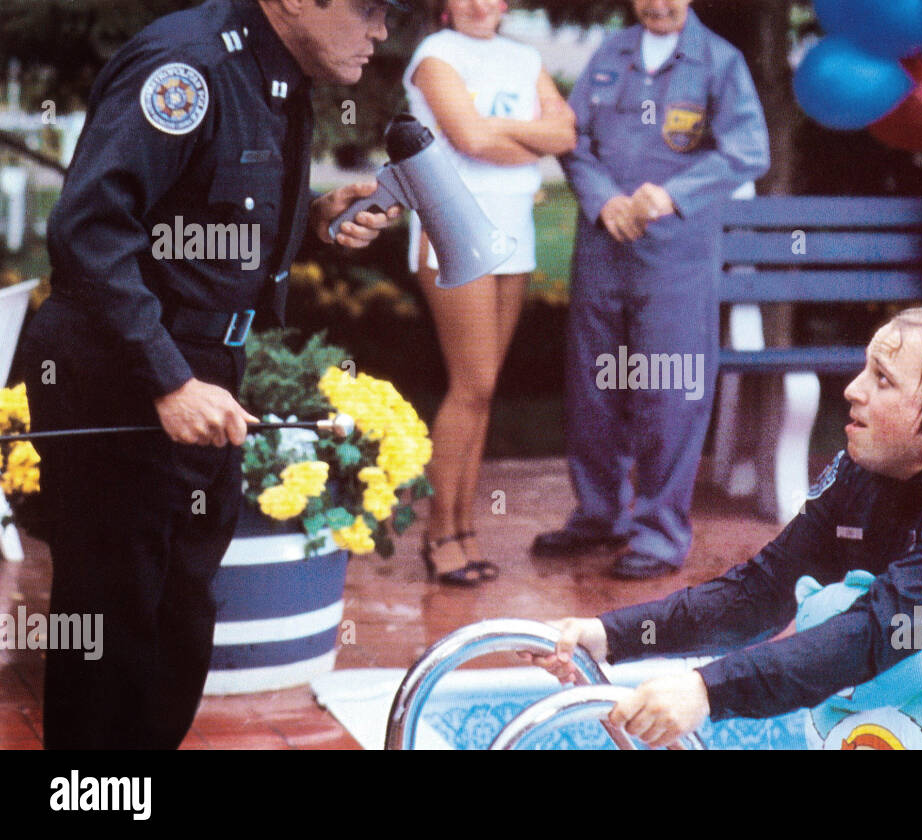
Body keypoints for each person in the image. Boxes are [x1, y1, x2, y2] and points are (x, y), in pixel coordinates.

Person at [20, 0, 405, 750]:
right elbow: (90, 229)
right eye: (367, 8)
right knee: (111, 629)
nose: (381, 31)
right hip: (119, 368)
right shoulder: (189, 68)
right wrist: (168, 380)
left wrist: (313, 219)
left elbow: (194, 215)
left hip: (197, 366)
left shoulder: (274, 73)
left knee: (177, 619)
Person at [525, 308, 922, 749]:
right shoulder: (864, 471)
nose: (852, 390)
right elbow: (760, 592)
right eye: (864, 369)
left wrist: (706, 691)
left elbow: (874, 635)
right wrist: (606, 635)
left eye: (883, 380)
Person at [531, 0, 770, 579]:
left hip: (676, 257)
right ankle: (599, 515)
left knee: (667, 392)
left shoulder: (719, 61)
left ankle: (659, 534)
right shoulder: (610, 54)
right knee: (595, 387)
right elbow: (572, 138)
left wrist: (673, 195)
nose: (657, 4)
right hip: (603, 247)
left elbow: (748, 150)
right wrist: (602, 199)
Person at [404, 0, 576, 586]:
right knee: (471, 384)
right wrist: (527, 137)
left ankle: (464, 528)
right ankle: (437, 532)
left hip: (512, 229)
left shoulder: (524, 58)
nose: (479, 5)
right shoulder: (436, 56)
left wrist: (494, 130)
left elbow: (565, 132)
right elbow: (470, 139)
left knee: (485, 390)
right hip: (452, 223)